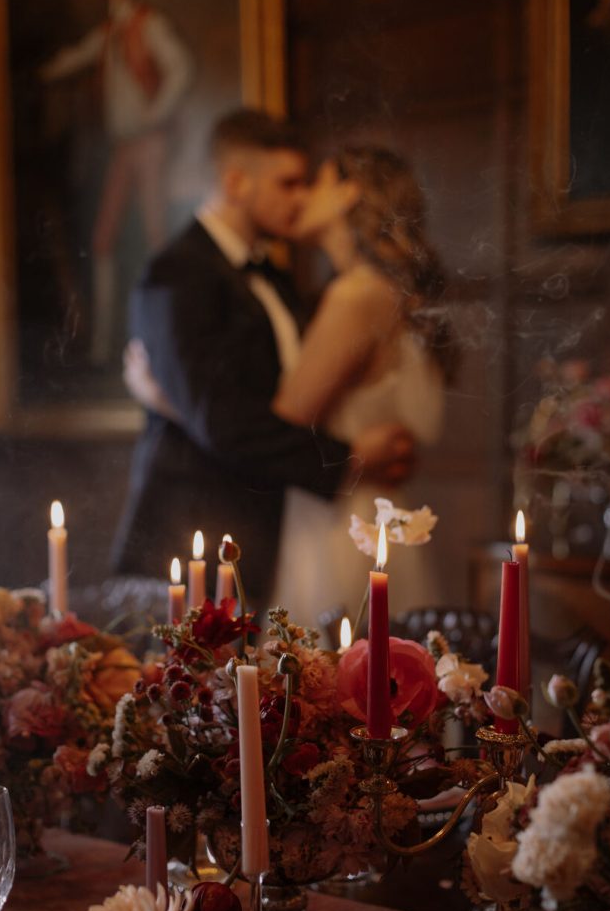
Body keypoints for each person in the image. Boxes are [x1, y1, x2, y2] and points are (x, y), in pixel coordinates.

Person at [111, 110, 414, 613]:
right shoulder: (177, 275)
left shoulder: (274, 276)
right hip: (191, 537)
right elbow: (225, 423)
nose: (300, 198)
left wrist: (165, 399)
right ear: (236, 182)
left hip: (269, 529)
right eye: (288, 183)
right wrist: (349, 456)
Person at [270, 147, 453, 627]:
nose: (304, 195)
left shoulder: (356, 293)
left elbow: (287, 415)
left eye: (317, 182)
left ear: (349, 192)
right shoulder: (387, 289)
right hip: (375, 514)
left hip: (338, 524)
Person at [40, 0, 192, 366]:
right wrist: (40, 73)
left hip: (150, 144)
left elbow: (181, 68)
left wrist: (155, 113)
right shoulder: (108, 32)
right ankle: (103, 342)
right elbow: (76, 59)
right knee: (103, 238)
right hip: (125, 147)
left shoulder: (150, 25)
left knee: (158, 236)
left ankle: (168, 334)